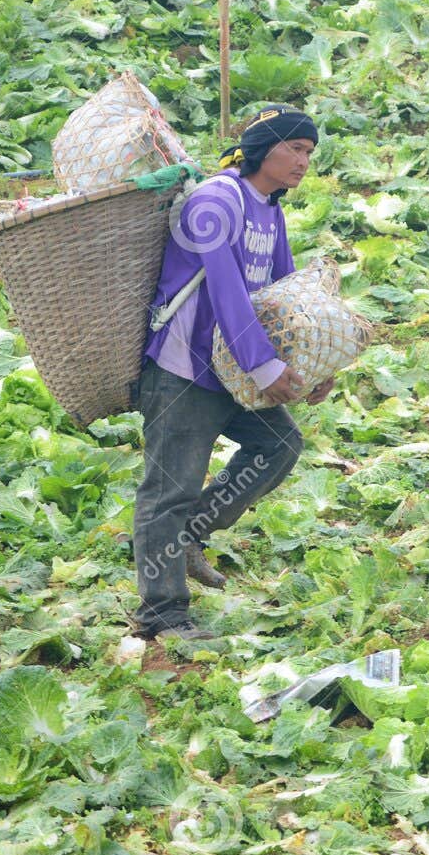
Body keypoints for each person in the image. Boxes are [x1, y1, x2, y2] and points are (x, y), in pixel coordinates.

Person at [129, 105, 331, 641]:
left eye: (309, 152)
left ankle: (189, 535)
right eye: (295, 148)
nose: (303, 161)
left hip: (232, 370)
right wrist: (265, 366)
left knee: (278, 444)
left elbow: (286, 297)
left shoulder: (270, 211)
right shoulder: (216, 202)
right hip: (185, 369)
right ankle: (161, 615)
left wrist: (312, 365)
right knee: (168, 491)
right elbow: (227, 293)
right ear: (263, 148)